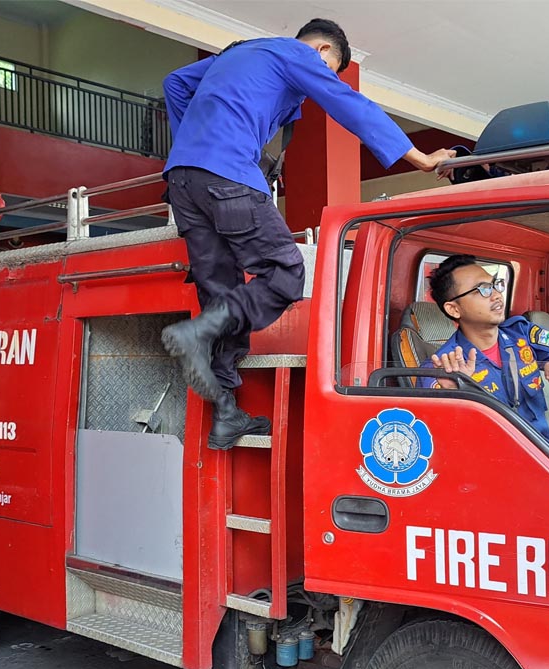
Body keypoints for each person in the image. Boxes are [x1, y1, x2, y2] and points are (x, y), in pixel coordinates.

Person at [159, 18, 457, 450]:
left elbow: (175, 84)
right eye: (328, 69)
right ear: (321, 52)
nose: (320, 80)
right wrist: (421, 159)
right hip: (228, 178)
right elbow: (349, 104)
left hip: (183, 182)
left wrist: (196, 141)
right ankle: (197, 335)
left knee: (222, 296)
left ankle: (225, 413)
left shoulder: (239, 54)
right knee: (285, 272)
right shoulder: (296, 54)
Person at [418, 255, 549, 439]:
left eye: (494, 285)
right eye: (482, 290)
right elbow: (438, 438)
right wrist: (459, 396)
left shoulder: (522, 334)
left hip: (545, 456)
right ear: (454, 309)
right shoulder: (443, 368)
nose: (496, 295)